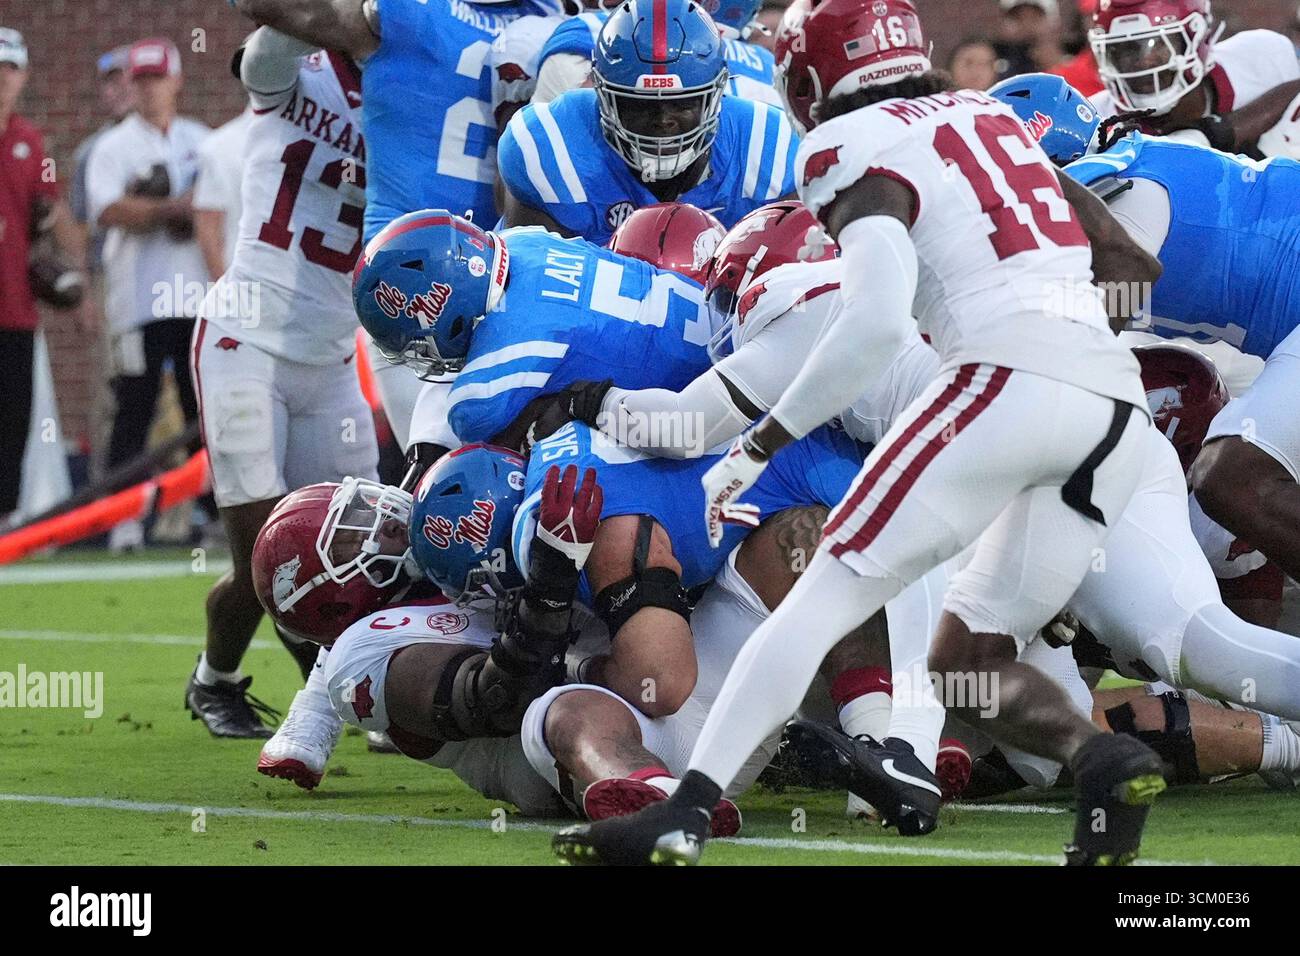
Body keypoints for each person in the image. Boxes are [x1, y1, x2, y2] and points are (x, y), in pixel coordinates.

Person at [551, 0, 1168, 867]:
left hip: (1000, 385)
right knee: (966, 660)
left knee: (815, 606)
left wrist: (761, 446)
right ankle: (1101, 762)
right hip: (1113, 404)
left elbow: (873, 324)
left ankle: (683, 815)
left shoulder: (844, 148)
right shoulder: (993, 115)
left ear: (807, 79)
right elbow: (1134, 269)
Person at [183, 27, 379, 739]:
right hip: (245, 338)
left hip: (330, 356)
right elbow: (264, 48)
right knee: (269, 554)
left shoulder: (415, 92)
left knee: (364, 545)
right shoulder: (297, 66)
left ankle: (343, 685)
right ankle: (217, 680)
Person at [497, 0, 797, 244]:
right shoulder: (553, 145)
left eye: (682, 103)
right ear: (598, 93)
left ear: (718, 94)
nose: (663, 120)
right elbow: (533, 286)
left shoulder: (767, 148)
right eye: (640, 105)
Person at [84, 37, 210, 553]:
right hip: (136, 298)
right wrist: (168, 210)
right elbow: (108, 211)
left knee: (201, 406)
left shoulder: (202, 140)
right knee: (133, 408)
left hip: (197, 295)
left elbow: (218, 206)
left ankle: (210, 512)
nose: (149, 89)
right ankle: (123, 519)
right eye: (140, 80)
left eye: (157, 78)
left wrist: (179, 210)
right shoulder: (112, 146)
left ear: (176, 80)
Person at [0, 28, 87, 523]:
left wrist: (79, 288)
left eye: (9, 69)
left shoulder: (32, 143)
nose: (1, 79)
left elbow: (51, 212)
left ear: (23, 76)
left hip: (15, 306)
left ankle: (6, 520)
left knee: (13, 418)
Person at [1088, 0, 1300, 157]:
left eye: (1160, 44)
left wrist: (1216, 132)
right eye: (1126, 50)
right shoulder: (1093, 118)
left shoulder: (1262, 57)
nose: (1144, 62)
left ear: (1196, 35)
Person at [192, 48, 254, 280]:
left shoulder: (320, 137)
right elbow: (209, 232)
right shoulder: (219, 146)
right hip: (247, 290)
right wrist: (228, 298)